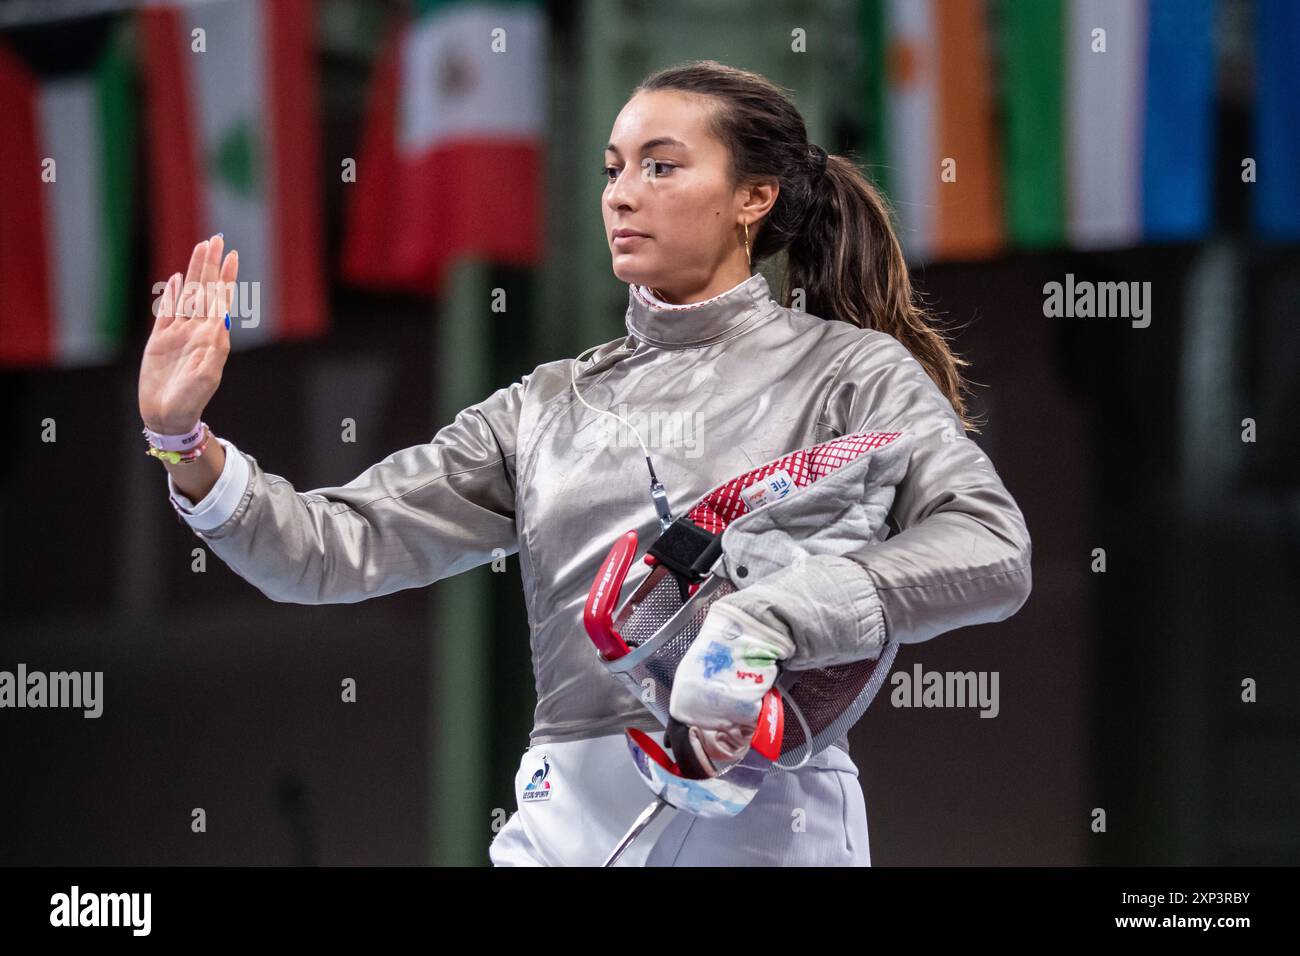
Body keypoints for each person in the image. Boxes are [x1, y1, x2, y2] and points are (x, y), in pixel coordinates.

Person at [137, 60, 1032, 866]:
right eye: (613, 168)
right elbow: (330, 549)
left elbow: (990, 547)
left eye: (662, 165)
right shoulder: (545, 406)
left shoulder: (848, 371)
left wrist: (771, 618)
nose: (621, 194)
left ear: (752, 198)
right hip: (569, 810)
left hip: (770, 814)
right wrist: (187, 443)